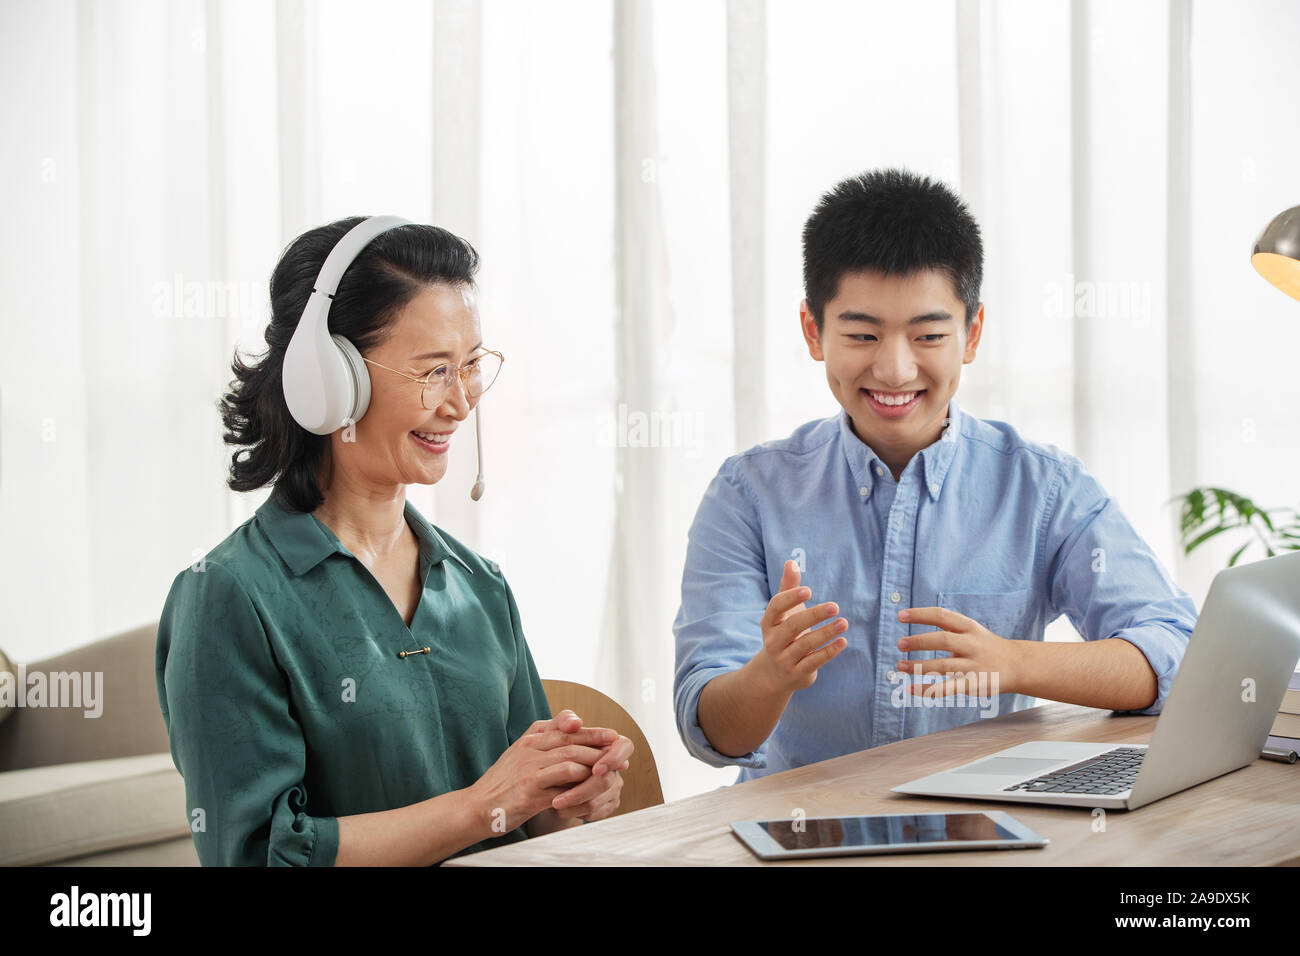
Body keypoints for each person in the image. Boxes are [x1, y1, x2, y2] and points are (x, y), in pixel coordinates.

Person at [673, 169, 1197, 782]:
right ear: (814, 332)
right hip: (798, 834)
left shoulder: (1043, 488)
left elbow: (1176, 653)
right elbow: (711, 732)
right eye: (862, 334)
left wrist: (1013, 662)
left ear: (971, 335)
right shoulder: (749, 494)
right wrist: (772, 674)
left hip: (987, 828)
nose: (895, 370)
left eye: (928, 335)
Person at [156, 217, 632, 865]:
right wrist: (481, 804)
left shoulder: (478, 583)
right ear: (330, 380)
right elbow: (261, 856)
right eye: (434, 371)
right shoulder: (229, 599)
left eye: (470, 367)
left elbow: (521, 820)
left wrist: (562, 802)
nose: (462, 402)